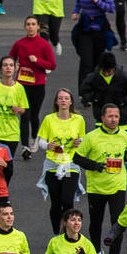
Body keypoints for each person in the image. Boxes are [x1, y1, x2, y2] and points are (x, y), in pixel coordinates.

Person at [73, 103, 127, 254]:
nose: (113, 120)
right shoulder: (91, 137)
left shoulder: (124, 135)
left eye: (116, 116)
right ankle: (97, 253)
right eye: (110, 116)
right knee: (96, 223)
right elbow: (77, 158)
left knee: (118, 223)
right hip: (96, 188)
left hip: (118, 186)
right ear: (102, 118)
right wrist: (95, 166)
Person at [35, 89, 86, 234]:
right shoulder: (49, 119)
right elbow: (41, 142)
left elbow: (83, 139)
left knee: (67, 200)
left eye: (66, 98)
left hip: (71, 164)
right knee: (56, 203)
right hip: (53, 164)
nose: (63, 100)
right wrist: (48, 145)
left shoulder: (78, 119)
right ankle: (57, 233)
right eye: (60, 98)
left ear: (71, 102)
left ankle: (69, 232)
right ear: (56, 102)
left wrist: (79, 142)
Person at [11, 16, 57, 158]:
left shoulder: (44, 44)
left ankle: (34, 138)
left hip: (38, 84)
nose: (30, 27)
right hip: (22, 85)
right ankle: (25, 146)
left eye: (33, 24)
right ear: (25, 27)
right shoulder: (19, 44)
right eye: (28, 24)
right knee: (24, 115)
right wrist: (14, 66)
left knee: (34, 116)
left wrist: (37, 61)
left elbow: (52, 65)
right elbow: (10, 59)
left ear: (38, 27)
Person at [70, 0, 116, 86]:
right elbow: (78, 4)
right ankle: (83, 92)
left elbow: (111, 8)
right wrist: (75, 12)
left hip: (99, 30)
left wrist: (98, 2)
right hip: (85, 29)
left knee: (97, 62)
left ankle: (95, 89)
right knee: (85, 62)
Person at [0, 54, 28, 161]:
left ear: (15, 68)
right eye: (5, 65)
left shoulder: (19, 88)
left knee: (7, 166)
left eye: (11, 65)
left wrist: (18, 109)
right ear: (0, 68)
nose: (8, 68)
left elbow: (24, 109)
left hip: (12, 133)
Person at [80, 51, 127, 129]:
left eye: (109, 71)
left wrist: (126, 100)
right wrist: (93, 98)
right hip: (101, 118)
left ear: (114, 68)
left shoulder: (125, 77)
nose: (106, 74)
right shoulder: (93, 77)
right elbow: (84, 91)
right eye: (104, 71)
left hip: (122, 119)